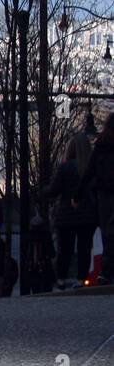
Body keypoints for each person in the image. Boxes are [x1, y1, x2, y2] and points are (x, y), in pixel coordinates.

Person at [47, 134, 97, 289]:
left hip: (67, 214)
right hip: (87, 215)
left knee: (65, 249)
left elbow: (54, 190)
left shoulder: (65, 167)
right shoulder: (91, 168)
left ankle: (61, 278)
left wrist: (43, 191)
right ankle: (82, 279)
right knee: (84, 248)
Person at [79, 113, 114, 283]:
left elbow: (89, 171)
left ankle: (106, 272)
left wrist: (78, 193)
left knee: (108, 233)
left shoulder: (101, 145)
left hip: (105, 193)